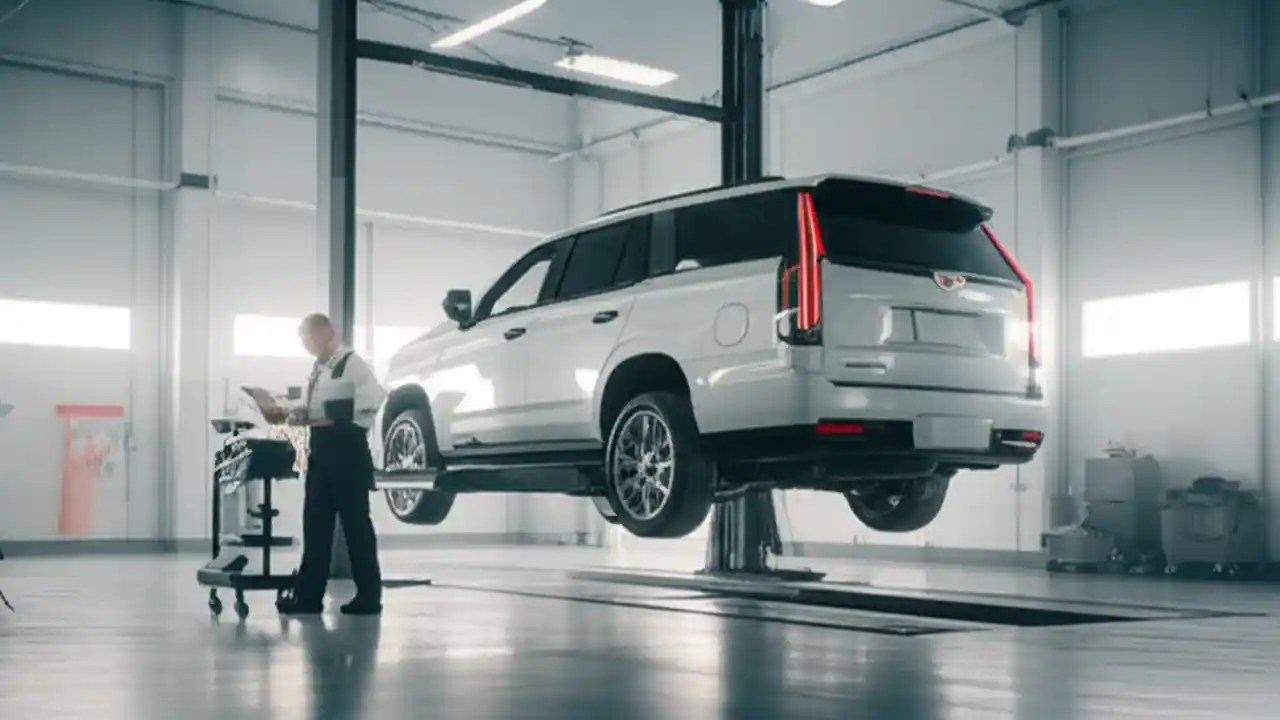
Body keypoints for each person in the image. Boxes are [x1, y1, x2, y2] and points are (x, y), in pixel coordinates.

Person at [274, 313, 387, 616]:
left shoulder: (351, 363)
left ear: (324, 333)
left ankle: (369, 596)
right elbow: (323, 407)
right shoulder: (320, 368)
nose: (305, 345)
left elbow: (371, 401)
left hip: (347, 451)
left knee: (356, 527)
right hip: (321, 451)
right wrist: (301, 414)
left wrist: (323, 417)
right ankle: (309, 597)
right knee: (316, 525)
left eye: (306, 338)